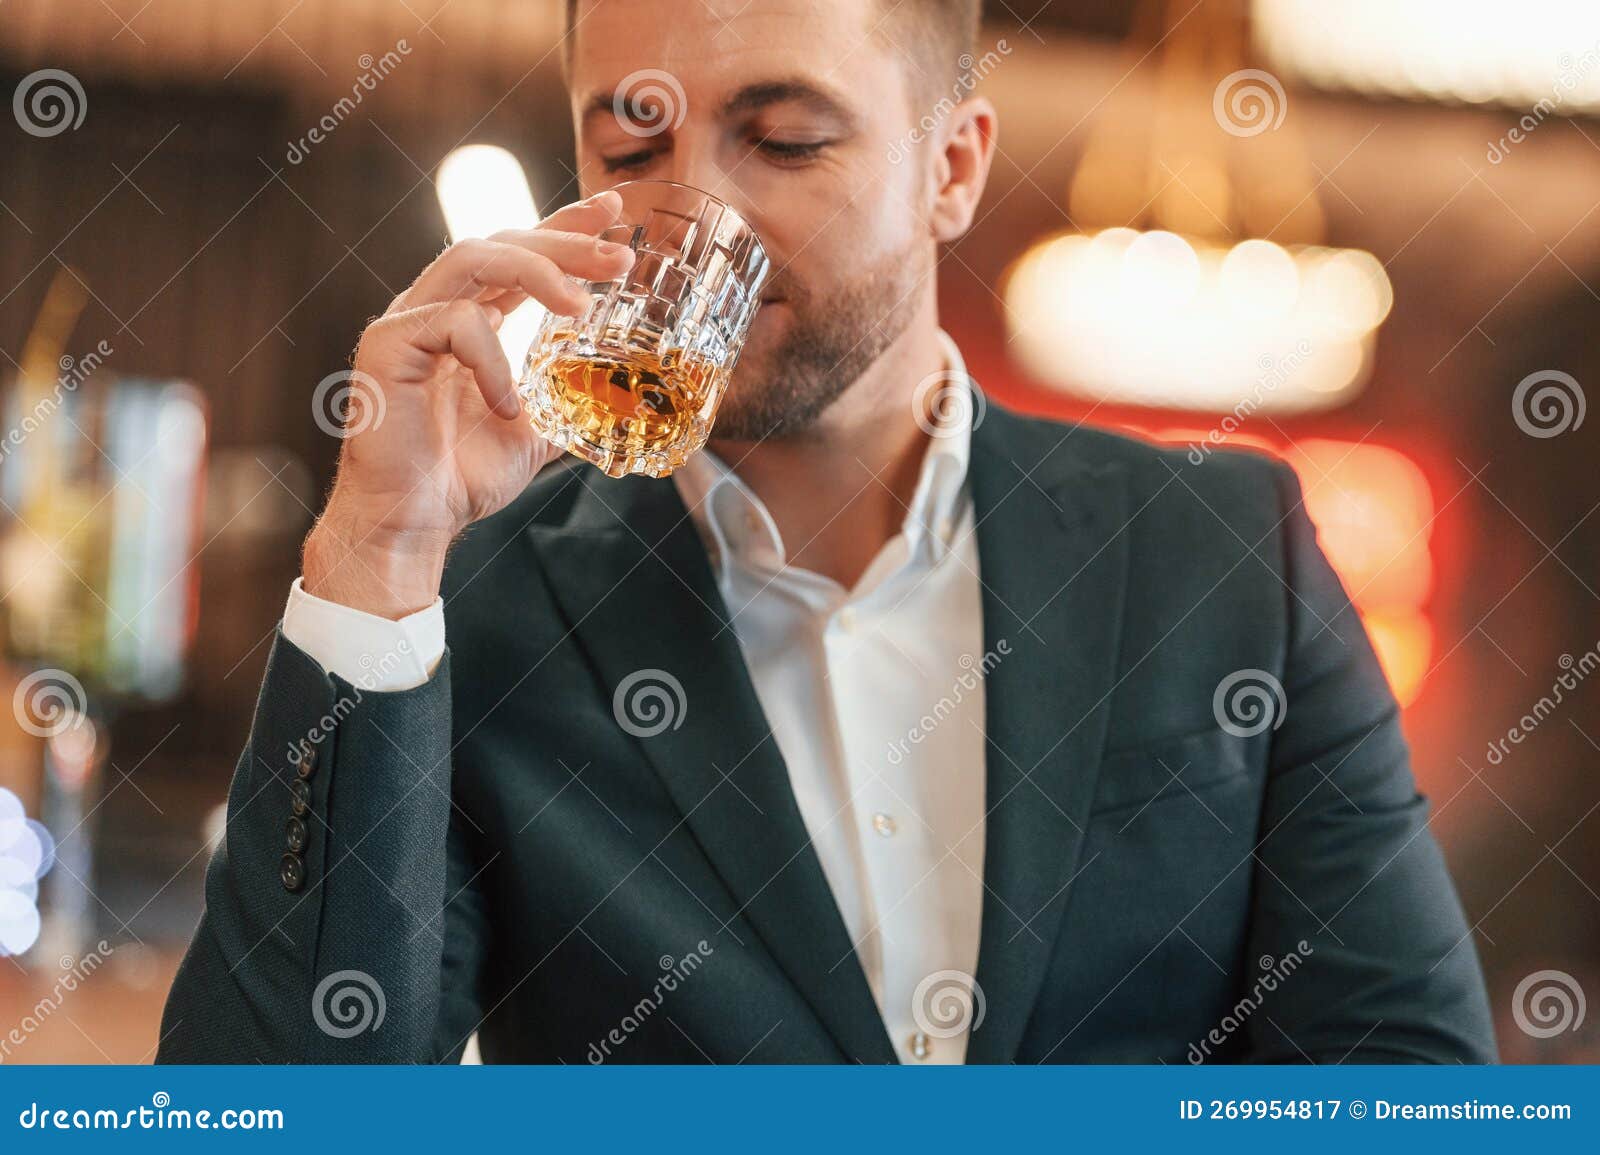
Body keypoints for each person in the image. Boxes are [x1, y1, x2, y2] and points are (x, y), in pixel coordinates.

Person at [158, 0, 1495, 1064]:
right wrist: (375, 555)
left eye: (787, 139)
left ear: (952, 168)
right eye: (630, 151)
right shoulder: (476, 602)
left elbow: (1407, 1081)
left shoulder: (1221, 549)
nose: (696, 217)